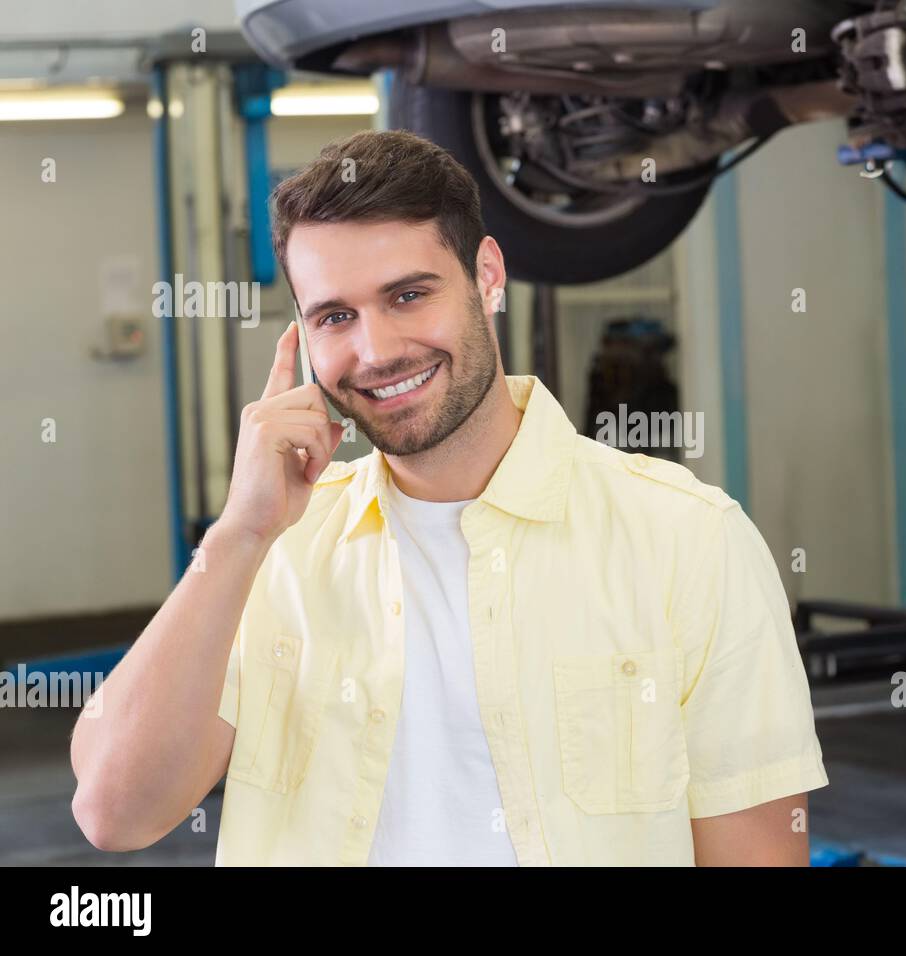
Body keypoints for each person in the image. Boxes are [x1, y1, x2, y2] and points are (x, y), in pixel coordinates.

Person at [69, 128, 828, 865]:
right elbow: (114, 811)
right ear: (301, 335)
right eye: (336, 316)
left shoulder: (687, 540)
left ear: (487, 276)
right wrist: (238, 535)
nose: (375, 351)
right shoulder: (274, 555)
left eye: (407, 295)